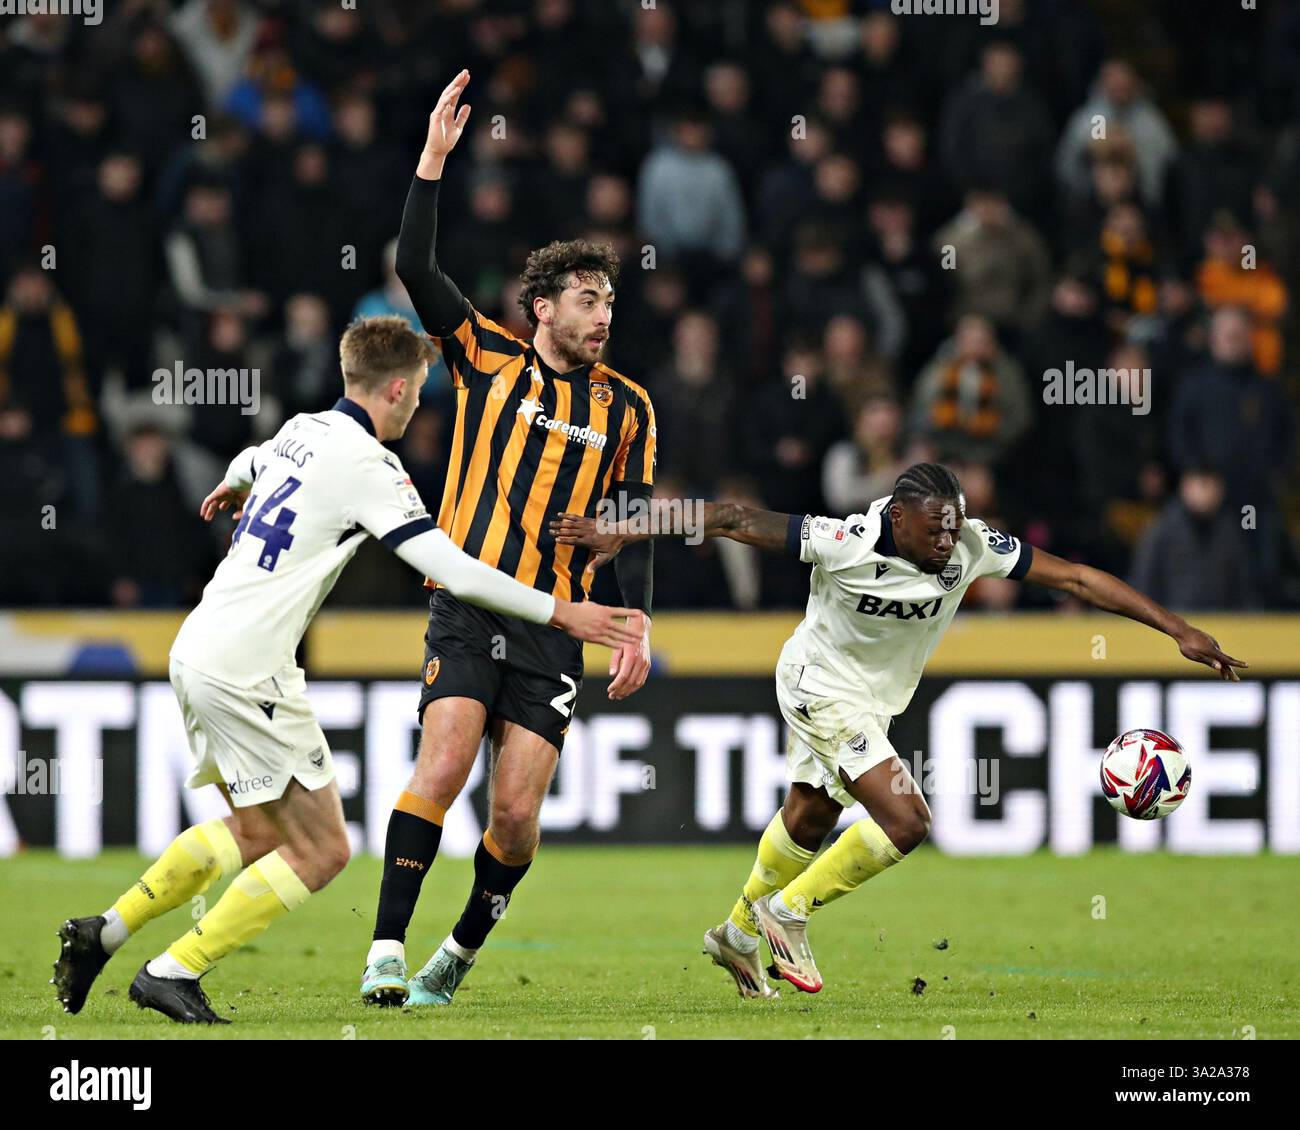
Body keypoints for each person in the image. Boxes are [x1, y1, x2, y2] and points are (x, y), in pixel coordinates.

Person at [50, 315, 640, 1024]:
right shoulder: (369, 466)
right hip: (250, 670)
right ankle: (173, 970)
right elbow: (451, 567)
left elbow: (248, 458)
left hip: (198, 647)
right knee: (325, 849)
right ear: (395, 388)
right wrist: (561, 612)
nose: (422, 402)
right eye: (420, 389)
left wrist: (237, 486)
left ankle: (103, 932)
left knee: (261, 833)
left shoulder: (302, 430)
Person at [552, 461, 1246, 997]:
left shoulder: (973, 544)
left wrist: (1178, 629)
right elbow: (733, 516)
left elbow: (1080, 582)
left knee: (810, 816)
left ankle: (736, 932)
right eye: (936, 528)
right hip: (817, 687)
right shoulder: (849, 541)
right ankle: (788, 913)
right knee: (908, 819)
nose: (950, 539)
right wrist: (628, 528)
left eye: (956, 525)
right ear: (901, 521)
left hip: (871, 702)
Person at [360, 70, 658, 1009]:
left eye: (608, 298)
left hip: (556, 625)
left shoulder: (631, 408)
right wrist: (433, 164)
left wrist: (629, 600)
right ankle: (382, 952)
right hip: (470, 598)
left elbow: (635, 522)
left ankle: (455, 957)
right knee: (441, 766)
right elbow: (416, 268)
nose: (601, 312)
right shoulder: (485, 355)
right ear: (542, 308)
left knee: (518, 819)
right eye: (583, 297)